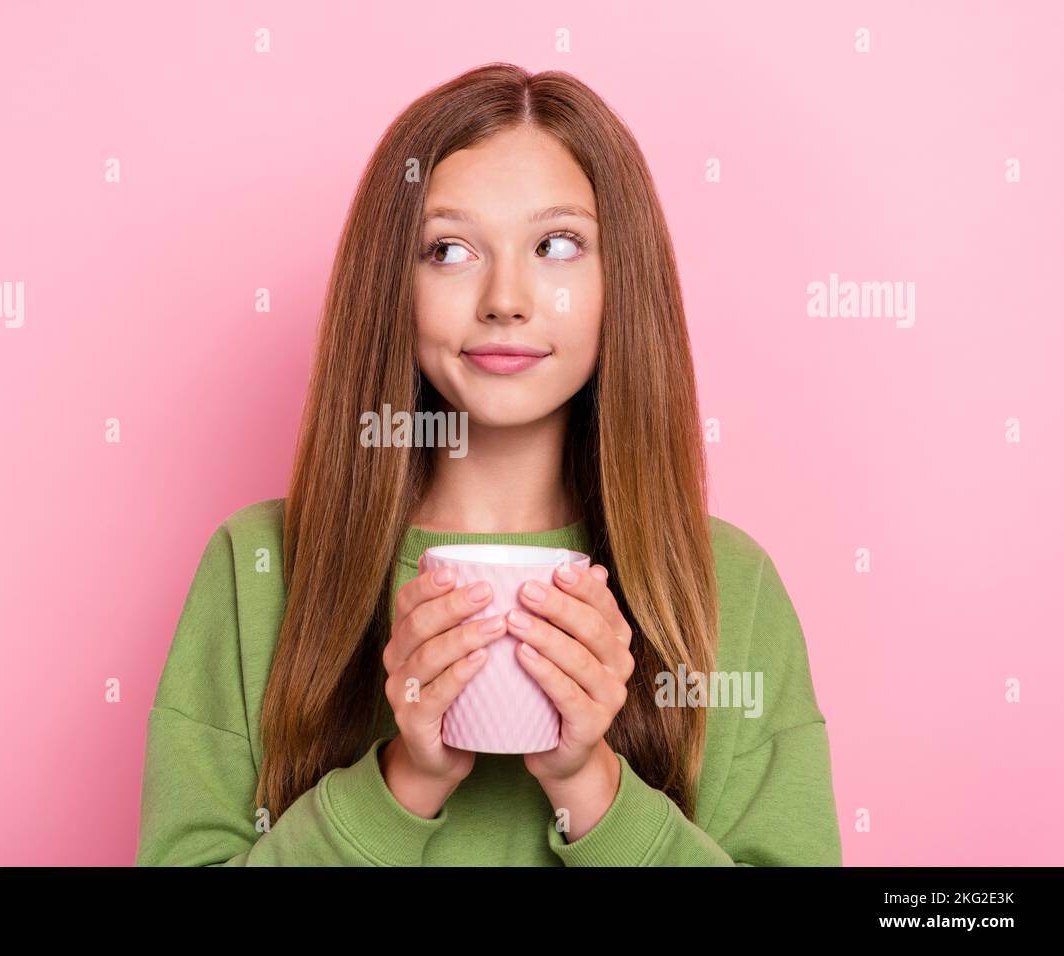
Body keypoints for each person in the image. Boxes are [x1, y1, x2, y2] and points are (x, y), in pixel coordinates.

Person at [135, 62, 842, 866]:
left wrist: (591, 785)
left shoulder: (728, 585)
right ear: (390, 286)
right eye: (449, 249)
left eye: (557, 244)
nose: (506, 297)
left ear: (621, 281)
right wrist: (402, 783)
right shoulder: (256, 568)